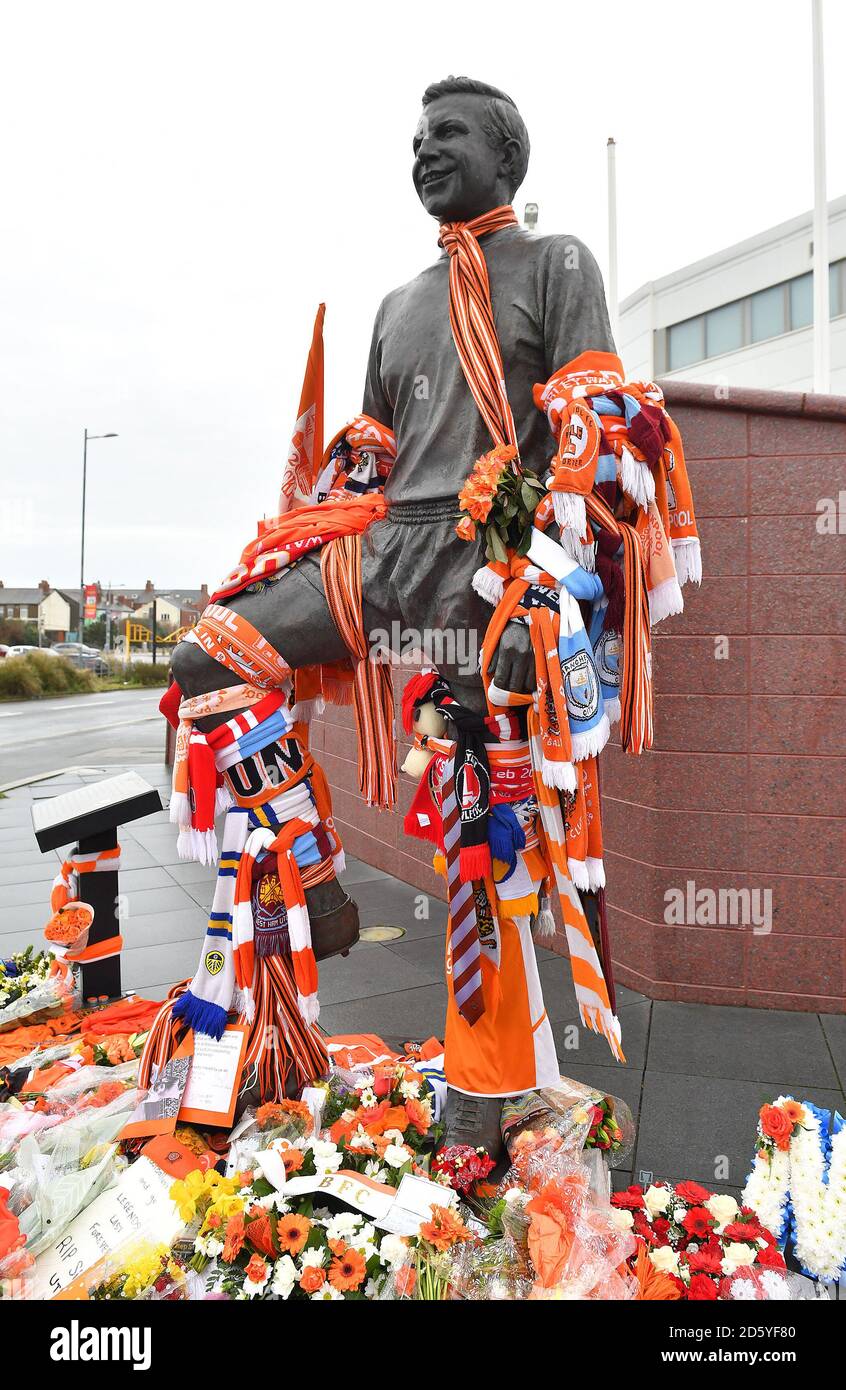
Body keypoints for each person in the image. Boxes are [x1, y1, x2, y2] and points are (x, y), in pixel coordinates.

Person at [172, 76, 616, 1151]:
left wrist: (542, 590)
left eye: (448, 134)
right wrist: (314, 514)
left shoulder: (557, 265)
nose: (423, 152)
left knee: (484, 839)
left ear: (506, 153)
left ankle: (475, 1109)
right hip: (386, 549)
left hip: (488, 564)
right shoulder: (396, 303)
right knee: (205, 655)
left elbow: (590, 431)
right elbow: (371, 453)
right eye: (415, 139)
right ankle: (317, 869)